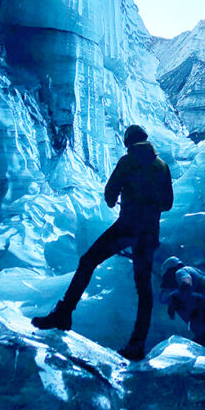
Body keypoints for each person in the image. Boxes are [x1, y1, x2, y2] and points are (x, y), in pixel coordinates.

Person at [31, 124, 174, 359]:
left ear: (128, 142)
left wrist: (125, 198)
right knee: (144, 287)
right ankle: (137, 345)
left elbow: (109, 196)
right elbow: (167, 204)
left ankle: (64, 313)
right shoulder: (162, 166)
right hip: (149, 234)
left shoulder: (127, 161)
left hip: (126, 227)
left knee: (88, 261)